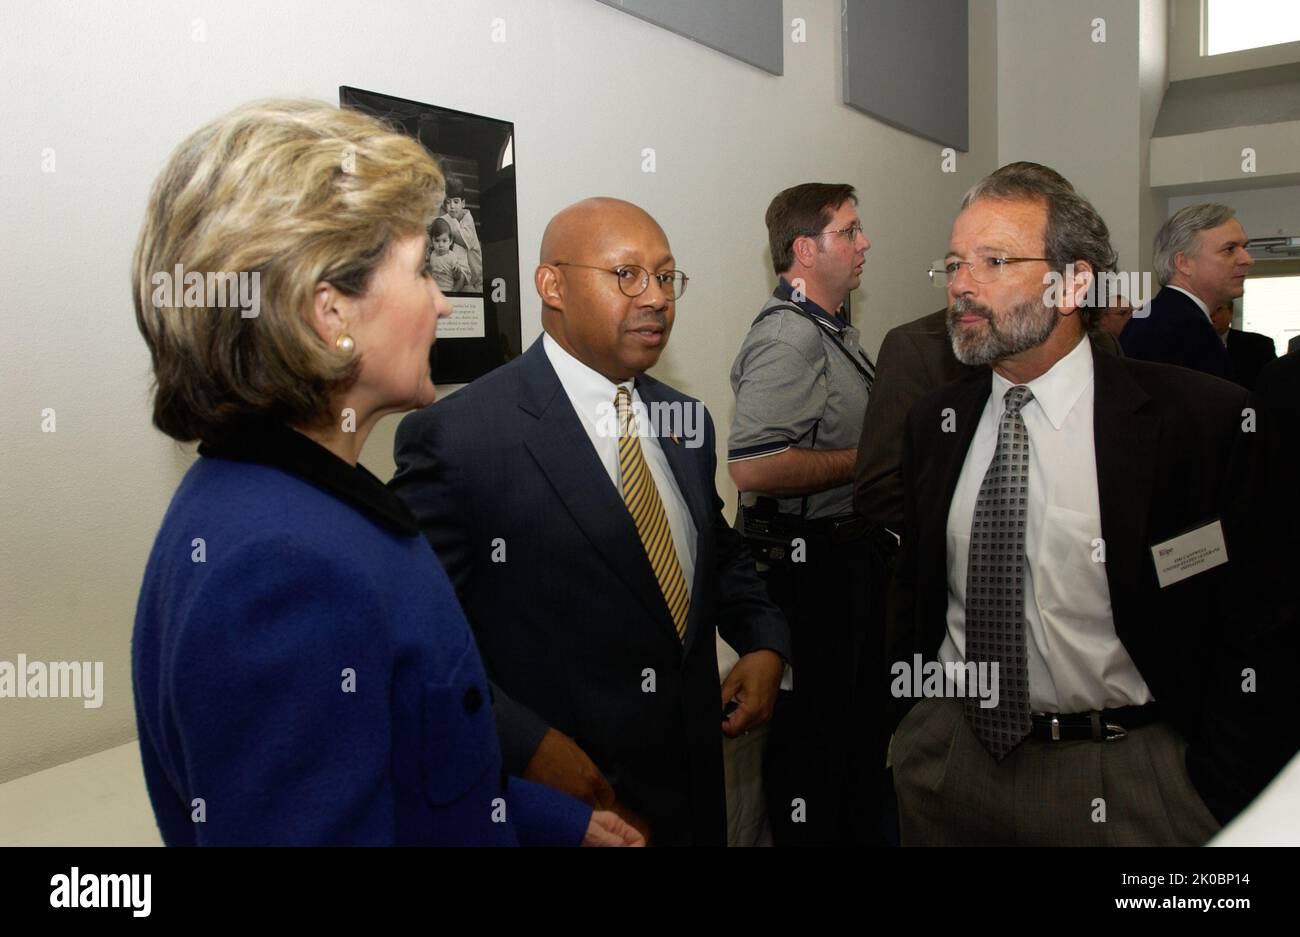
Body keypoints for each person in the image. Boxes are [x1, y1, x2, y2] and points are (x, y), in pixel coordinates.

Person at [130, 100, 640, 847]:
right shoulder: (279, 570)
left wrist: (557, 821)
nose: (441, 301)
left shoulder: (293, 501)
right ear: (327, 312)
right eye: (422, 270)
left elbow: (416, 774)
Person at [888, 165, 1296, 846]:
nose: (962, 282)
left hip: (1126, 777)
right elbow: (915, 593)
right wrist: (910, 732)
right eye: (955, 262)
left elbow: (1264, 626)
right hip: (951, 770)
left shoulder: (1202, 423)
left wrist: (1212, 787)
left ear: (1075, 284)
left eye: (994, 261)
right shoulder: (936, 423)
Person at [391, 197, 790, 846]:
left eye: (666, 277)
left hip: (696, 786)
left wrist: (765, 638)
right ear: (552, 284)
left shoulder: (684, 421)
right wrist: (527, 745)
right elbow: (411, 639)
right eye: (627, 274)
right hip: (569, 807)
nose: (657, 297)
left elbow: (713, 550)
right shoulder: (462, 438)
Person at [726, 182, 880, 844]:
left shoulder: (829, 329)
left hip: (838, 562)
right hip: (806, 573)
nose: (863, 242)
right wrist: (869, 460)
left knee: (846, 746)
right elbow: (754, 465)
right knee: (812, 756)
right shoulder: (791, 336)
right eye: (848, 231)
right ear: (803, 250)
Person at [1120, 203, 1252, 379]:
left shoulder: (1154, 317)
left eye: (1245, 247)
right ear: (1184, 263)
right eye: (1229, 249)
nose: (1247, 259)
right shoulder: (1188, 329)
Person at [1210, 301, 1277, 390]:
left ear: (1231, 313)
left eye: (1218, 309)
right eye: (1207, 309)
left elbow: (1273, 383)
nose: (1211, 314)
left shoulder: (1258, 345)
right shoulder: (1188, 345)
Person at [440, 174, 483, 291]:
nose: (452, 206)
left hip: (476, 275)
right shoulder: (448, 219)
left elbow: (463, 240)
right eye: (448, 202)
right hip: (462, 270)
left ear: (463, 203)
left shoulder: (467, 217)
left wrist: (444, 227)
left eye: (456, 202)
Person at [426, 216, 471, 292]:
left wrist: (457, 272)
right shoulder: (432, 253)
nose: (440, 245)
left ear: (450, 241)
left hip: (449, 289)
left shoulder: (452, 256)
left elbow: (459, 277)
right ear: (432, 241)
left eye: (444, 241)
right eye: (437, 241)